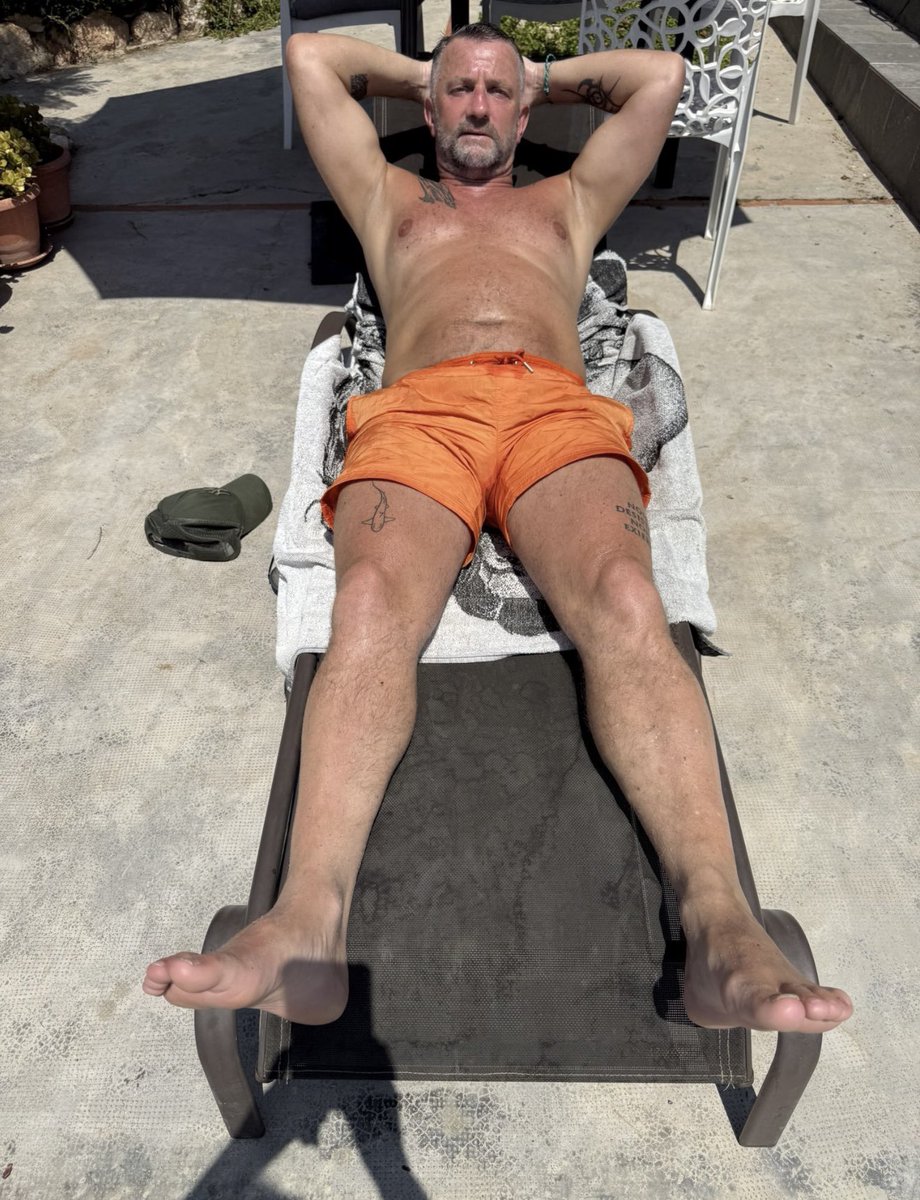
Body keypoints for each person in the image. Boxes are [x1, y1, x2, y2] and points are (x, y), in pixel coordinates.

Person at [144, 24, 853, 1035]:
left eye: (495, 94)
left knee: (626, 597)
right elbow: (308, 60)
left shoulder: (568, 203)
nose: (477, 106)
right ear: (427, 108)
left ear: (524, 114)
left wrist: (531, 76)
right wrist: (431, 72)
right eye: (458, 92)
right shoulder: (386, 199)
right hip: (418, 411)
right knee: (367, 602)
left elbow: (659, 77)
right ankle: (307, 927)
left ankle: (717, 924)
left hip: (552, 411)